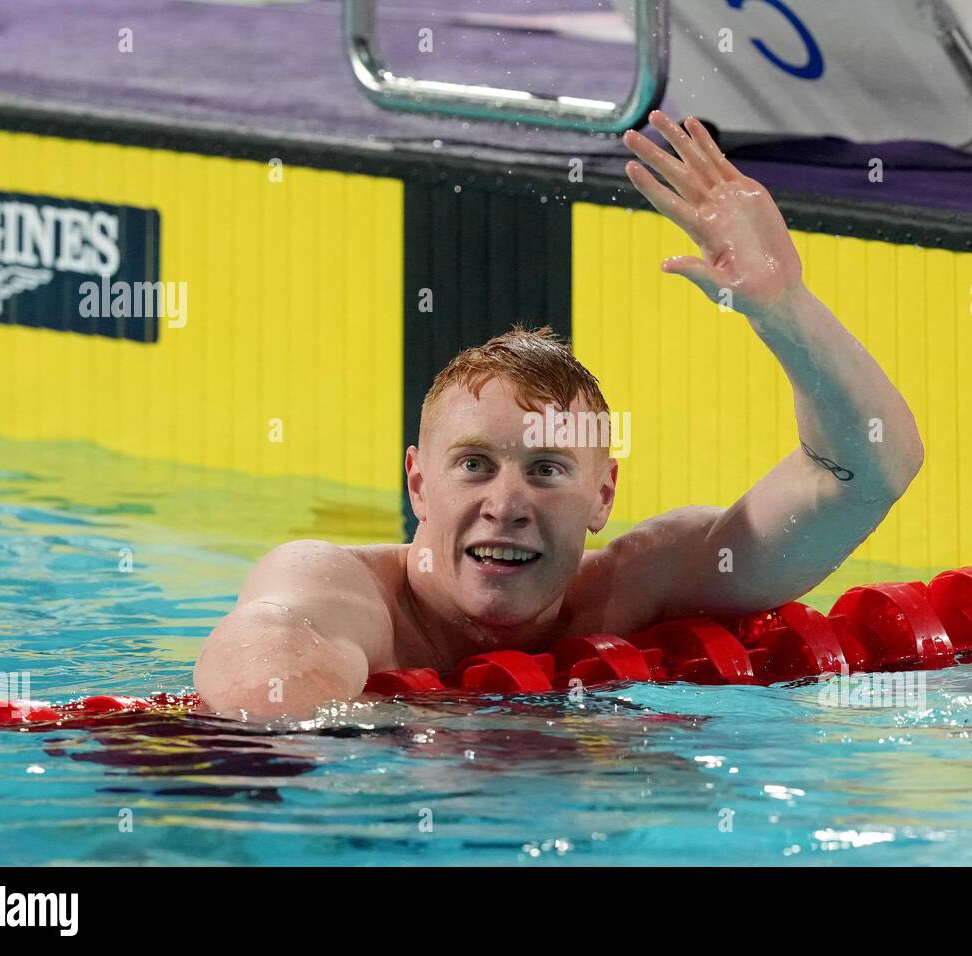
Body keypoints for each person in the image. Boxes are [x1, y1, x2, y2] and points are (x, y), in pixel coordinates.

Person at [194, 112, 924, 720]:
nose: (505, 505)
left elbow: (867, 473)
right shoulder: (340, 590)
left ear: (603, 495)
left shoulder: (647, 585)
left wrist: (784, 309)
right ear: (418, 484)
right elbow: (263, 681)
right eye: (474, 465)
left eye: (546, 470)